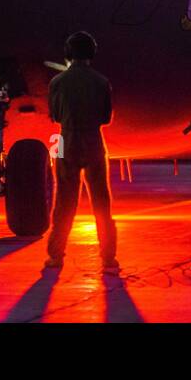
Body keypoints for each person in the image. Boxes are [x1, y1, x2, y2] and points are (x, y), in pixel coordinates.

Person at [45, 30, 118, 273]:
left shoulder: (57, 83)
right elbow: (106, 118)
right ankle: (108, 259)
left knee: (65, 201)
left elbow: (54, 115)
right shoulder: (101, 82)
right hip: (93, 140)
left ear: (68, 53)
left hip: (67, 139)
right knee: (101, 201)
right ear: (92, 54)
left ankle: (56, 256)